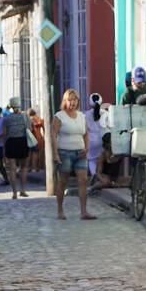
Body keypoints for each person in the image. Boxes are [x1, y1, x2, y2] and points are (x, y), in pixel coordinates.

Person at [52, 88, 96, 220]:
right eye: (70, 100)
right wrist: (55, 154)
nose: (72, 103)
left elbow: (86, 134)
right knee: (63, 181)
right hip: (64, 152)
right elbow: (53, 134)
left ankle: (84, 212)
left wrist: (87, 148)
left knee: (83, 181)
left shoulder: (82, 116)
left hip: (80, 153)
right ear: (65, 101)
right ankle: (60, 210)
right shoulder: (59, 116)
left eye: (75, 100)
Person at [1, 98, 34, 200]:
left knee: (12, 169)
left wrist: (4, 147)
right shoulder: (25, 117)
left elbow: (5, 134)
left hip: (11, 142)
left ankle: (14, 193)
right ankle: (23, 190)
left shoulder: (6, 118)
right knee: (24, 168)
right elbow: (30, 129)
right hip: (23, 142)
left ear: (11, 106)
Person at [27, 108, 46, 172]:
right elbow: (44, 129)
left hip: (31, 138)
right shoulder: (40, 119)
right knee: (38, 153)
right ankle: (37, 168)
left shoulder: (30, 120)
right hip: (39, 138)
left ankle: (31, 167)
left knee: (31, 154)